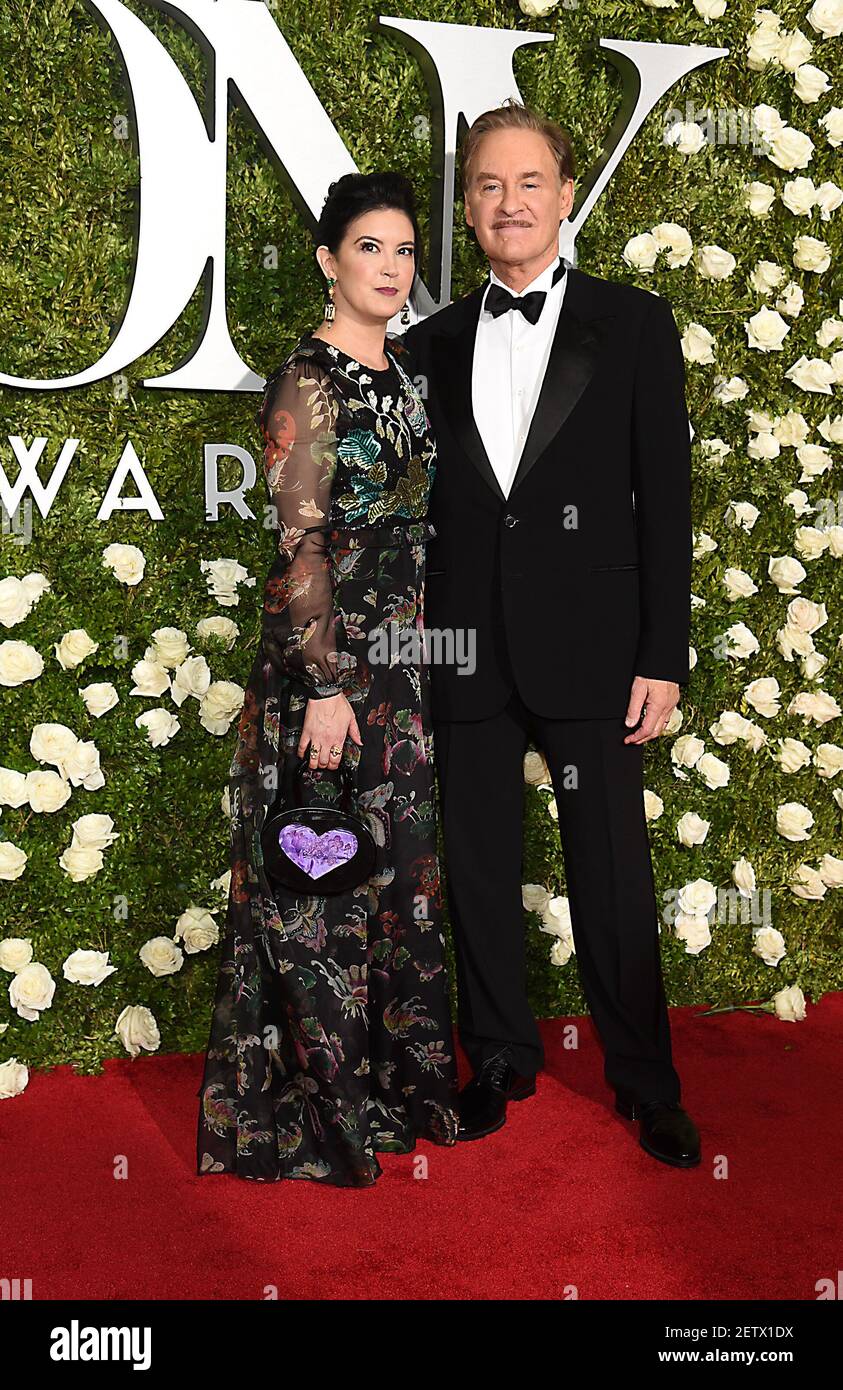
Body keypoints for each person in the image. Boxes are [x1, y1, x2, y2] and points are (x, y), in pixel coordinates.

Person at [400, 99, 701, 1168]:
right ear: (467, 208)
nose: (509, 202)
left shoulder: (634, 323)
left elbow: (664, 501)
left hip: (596, 653)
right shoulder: (426, 345)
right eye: (487, 185)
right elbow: (410, 517)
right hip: (469, 655)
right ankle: (502, 1060)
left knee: (612, 873)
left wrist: (663, 653)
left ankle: (645, 1081)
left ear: (567, 198)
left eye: (530, 182)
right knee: (477, 866)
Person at [196, 172, 460, 1187]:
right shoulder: (306, 381)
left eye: (403, 252)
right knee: (322, 886)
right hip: (331, 670)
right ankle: (324, 1111)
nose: (391, 269)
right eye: (370, 249)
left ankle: (395, 1089)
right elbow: (299, 542)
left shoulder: (398, 374)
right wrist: (326, 684)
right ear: (327, 259)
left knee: (391, 875)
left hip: (395, 667)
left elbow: (405, 530)